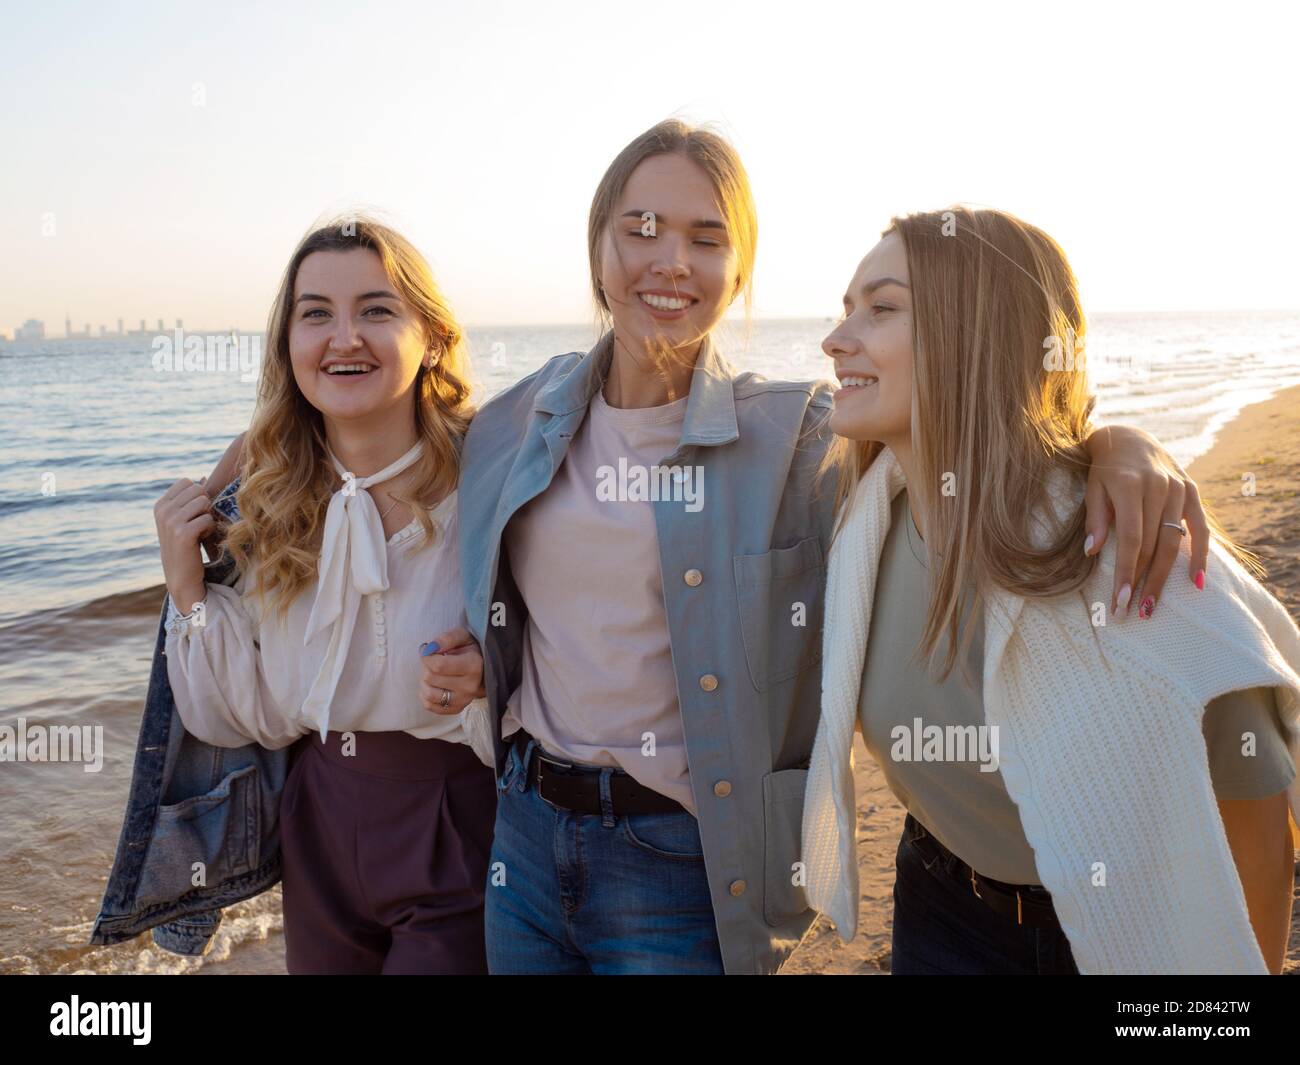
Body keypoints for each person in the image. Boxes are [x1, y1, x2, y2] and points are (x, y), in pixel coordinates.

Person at [453, 121, 1215, 973]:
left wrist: (1120, 443)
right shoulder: (514, 420)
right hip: (522, 827)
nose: (670, 259)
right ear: (597, 245)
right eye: (641, 229)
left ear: (737, 273)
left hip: (678, 856)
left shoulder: (798, 436)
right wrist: (470, 653)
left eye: (707, 239)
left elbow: (981, 426)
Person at [803, 206, 1299, 974]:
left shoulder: (1130, 550)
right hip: (938, 898)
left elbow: (1257, 822)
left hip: (1112, 927)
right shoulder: (865, 514)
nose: (837, 340)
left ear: (976, 333)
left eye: (882, 308)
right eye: (845, 311)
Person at [154, 217, 497, 974]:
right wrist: (187, 590)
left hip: (456, 822)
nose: (345, 338)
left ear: (432, 336)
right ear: (289, 346)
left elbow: (575, 656)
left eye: (376, 310)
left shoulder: (494, 480)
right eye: (316, 314)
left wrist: (490, 677)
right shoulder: (270, 501)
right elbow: (244, 718)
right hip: (315, 817)